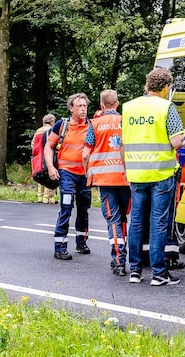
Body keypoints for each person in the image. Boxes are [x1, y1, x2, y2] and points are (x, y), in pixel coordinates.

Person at [121, 68, 185, 286]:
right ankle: (158, 273)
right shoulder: (167, 107)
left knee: (136, 222)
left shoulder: (128, 108)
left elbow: (123, 143)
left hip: (136, 173)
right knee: (158, 223)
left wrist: (126, 169)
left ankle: (135, 271)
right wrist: (183, 136)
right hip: (161, 173)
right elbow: (176, 142)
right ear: (166, 87)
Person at [85, 90, 131, 276]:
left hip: (105, 179)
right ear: (117, 104)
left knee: (113, 220)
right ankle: (127, 257)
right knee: (124, 220)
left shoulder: (94, 124)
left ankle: (118, 261)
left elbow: (86, 153)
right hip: (126, 179)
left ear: (102, 105)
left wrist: (88, 173)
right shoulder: (126, 122)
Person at [45, 93, 91, 260]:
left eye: (84, 106)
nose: (83, 109)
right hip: (66, 173)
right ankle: (60, 246)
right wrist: (51, 167)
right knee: (66, 207)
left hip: (85, 175)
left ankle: (81, 241)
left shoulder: (91, 126)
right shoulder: (62, 125)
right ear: (71, 108)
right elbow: (49, 146)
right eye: (79, 106)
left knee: (84, 208)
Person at [31, 114, 57, 204]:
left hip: (38, 156)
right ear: (51, 122)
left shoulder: (38, 131)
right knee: (48, 175)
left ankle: (40, 197)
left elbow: (33, 144)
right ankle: (48, 198)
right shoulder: (51, 130)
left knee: (40, 174)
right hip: (47, 155)